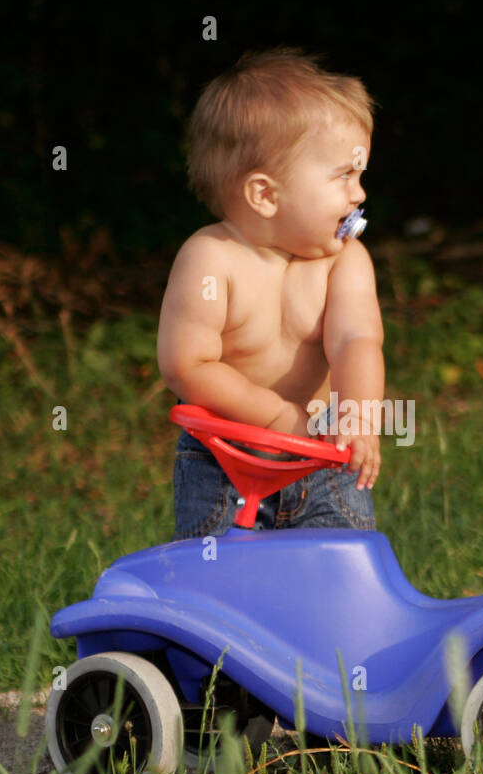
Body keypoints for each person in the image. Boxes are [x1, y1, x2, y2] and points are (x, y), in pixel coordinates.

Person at [157, 47, 385, 539]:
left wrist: (357, 415)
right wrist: (278, 416)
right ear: (265, 195)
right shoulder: (210, 258)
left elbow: (356, 342)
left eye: (360, 175)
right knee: (216, 575)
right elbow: (186, 364)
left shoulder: (344, 260)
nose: (359, 193)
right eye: (344, 175)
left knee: (339, 564)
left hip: (323, 452)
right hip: (224, 455)